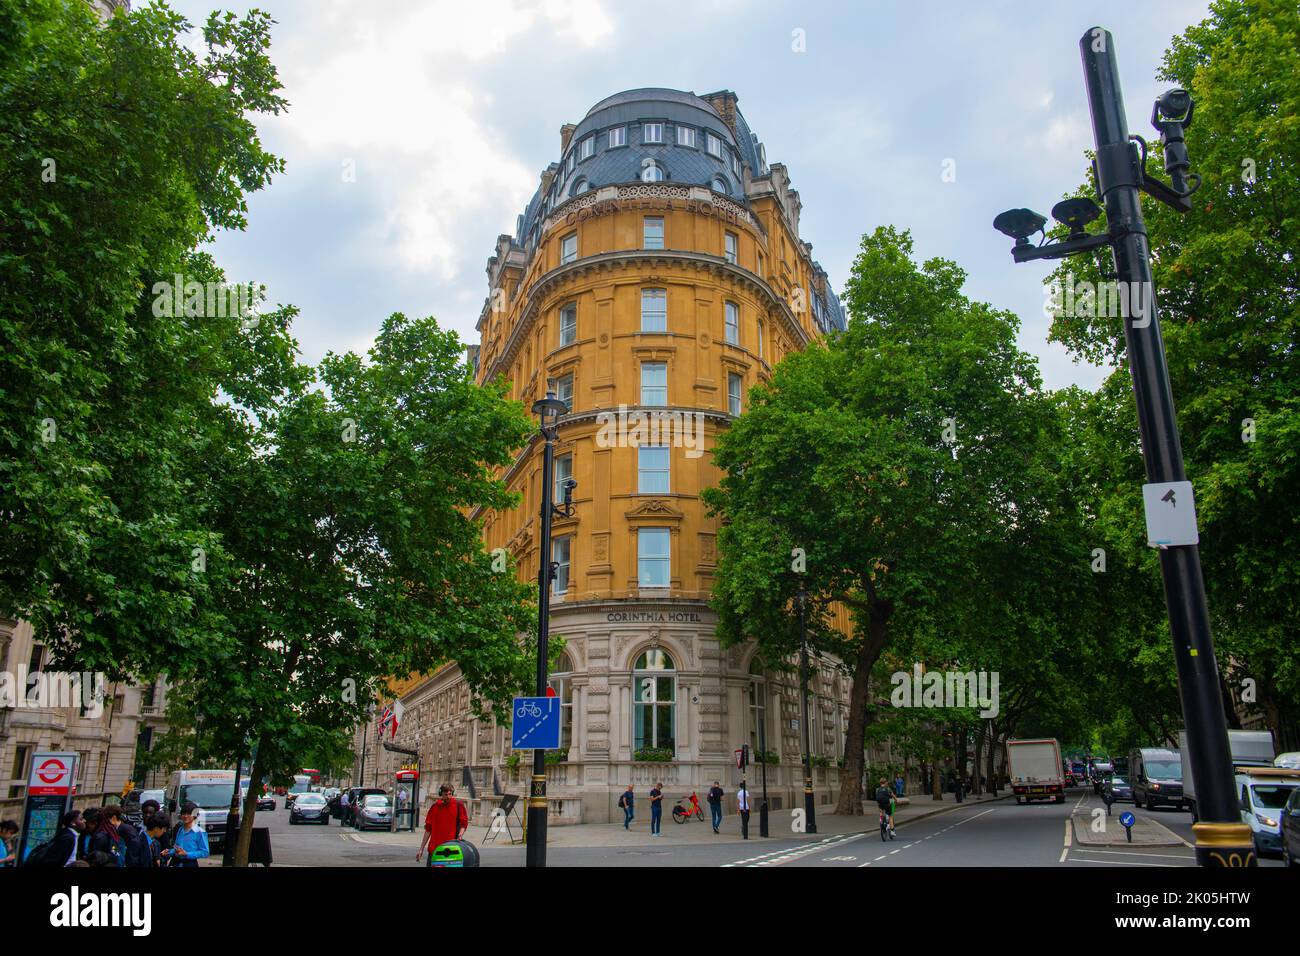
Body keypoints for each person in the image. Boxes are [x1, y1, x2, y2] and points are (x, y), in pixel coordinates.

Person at [418, 785, 468, 864]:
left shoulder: (458, 806)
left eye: (450, 794)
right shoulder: (434, 807)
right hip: (434, 850)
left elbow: (463, 824)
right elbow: (428, 830)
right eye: (446, 794)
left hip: (451, 850)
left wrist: (460, 834)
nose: (448, 797)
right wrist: (421, 849)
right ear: (441, 794)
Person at [168, 802, 210, 867]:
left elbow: (205, 852)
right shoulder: (180, 829)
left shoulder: (200, 832)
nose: (185, 816)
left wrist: (187, 854)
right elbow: (177, 849)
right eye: (184, 813)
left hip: (190, 863)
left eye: (189, 814)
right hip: (176, 862)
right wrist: (169, 852)